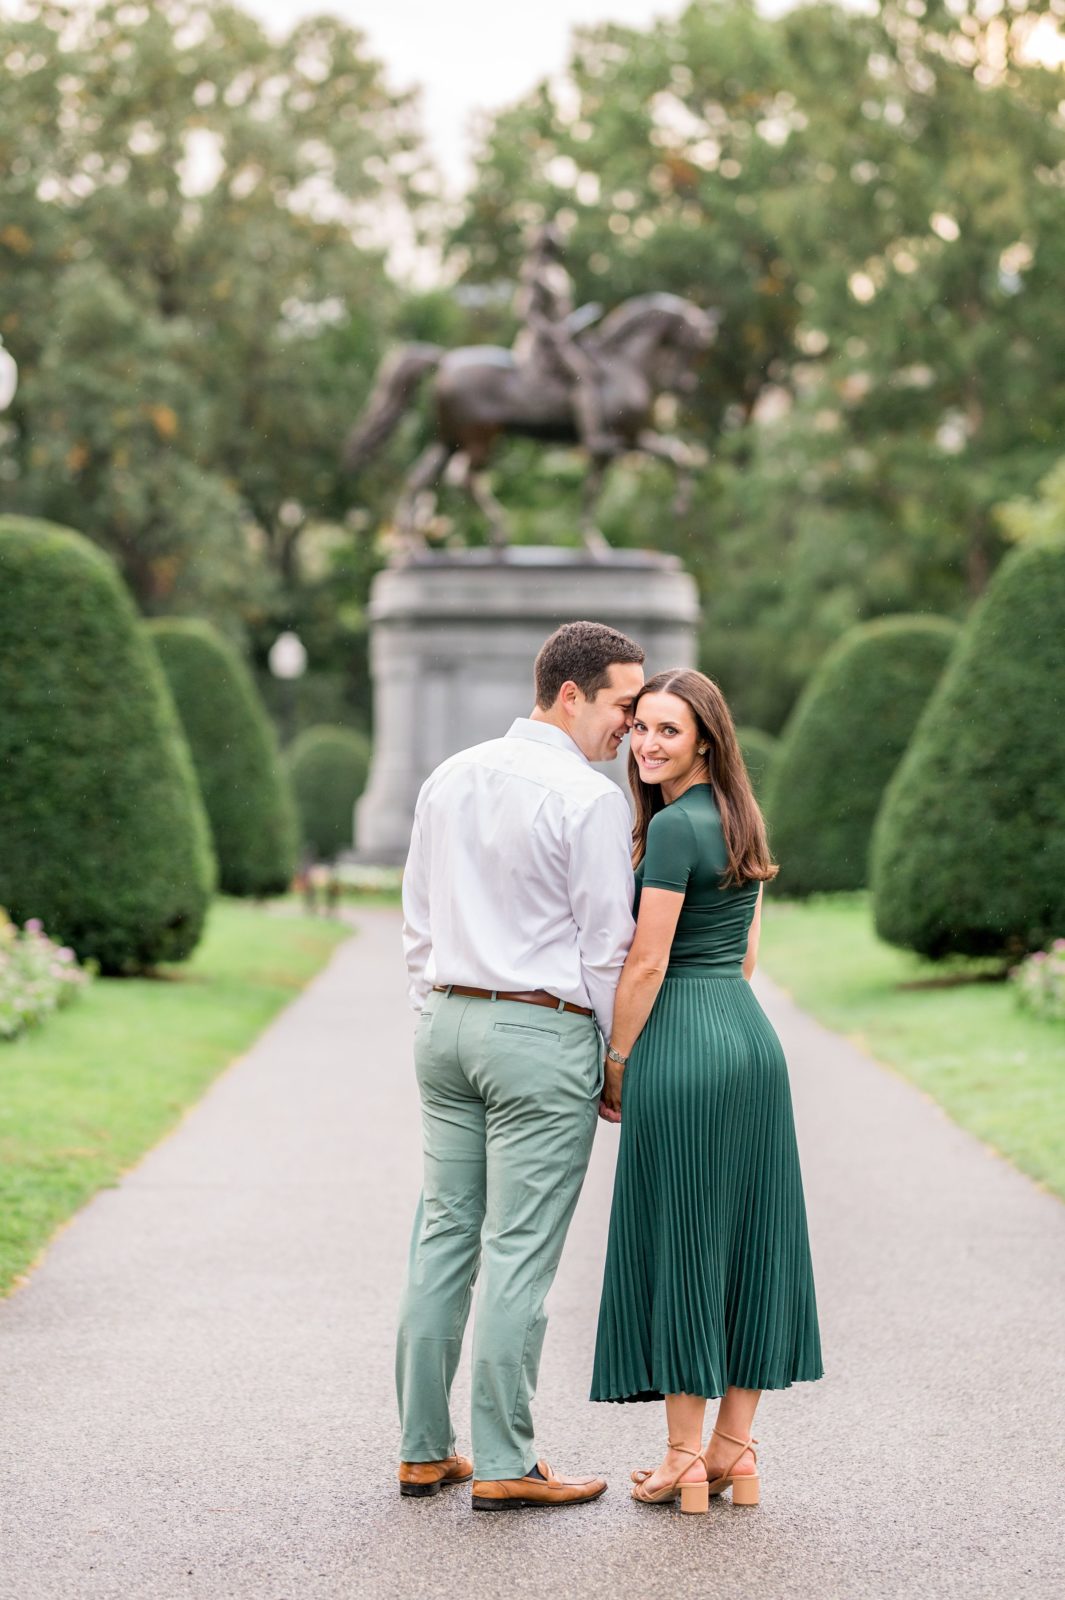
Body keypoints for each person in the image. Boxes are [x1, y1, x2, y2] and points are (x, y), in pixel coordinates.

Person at [397, 620, 646, 1510]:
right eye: (623, 703)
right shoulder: (588, 799)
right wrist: (616, 1060)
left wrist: (433, 1010)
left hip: (447, 1026)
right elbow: (606, 948)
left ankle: (425, 1450)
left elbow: (418, 921)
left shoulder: (448, 775)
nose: (631, 723)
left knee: (442, 1237)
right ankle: (504, 1463)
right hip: (540, 1036)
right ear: (570, 694)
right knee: (517, 1253)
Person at [590, 669, 823, 1513]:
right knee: (753, 1236)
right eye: (642, 727)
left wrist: (615, 1061)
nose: (648, 745)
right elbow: (747, 955)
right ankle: (735, 1450)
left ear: (704, 742)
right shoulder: (739, 820)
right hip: (749, 1039)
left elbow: (647, 961)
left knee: (685, 1237)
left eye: (667, 732)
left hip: (681, 1043)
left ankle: (682, 1458)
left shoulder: (676, 831)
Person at [514, 222, 617, 457]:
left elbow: (561, 312)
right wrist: (552, 332)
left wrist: (575, 326)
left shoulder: (557, 273)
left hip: (563, 338)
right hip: (543, 345)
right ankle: (592, 438)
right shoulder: (535, 273)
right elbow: (527, 313)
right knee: (585, 375)